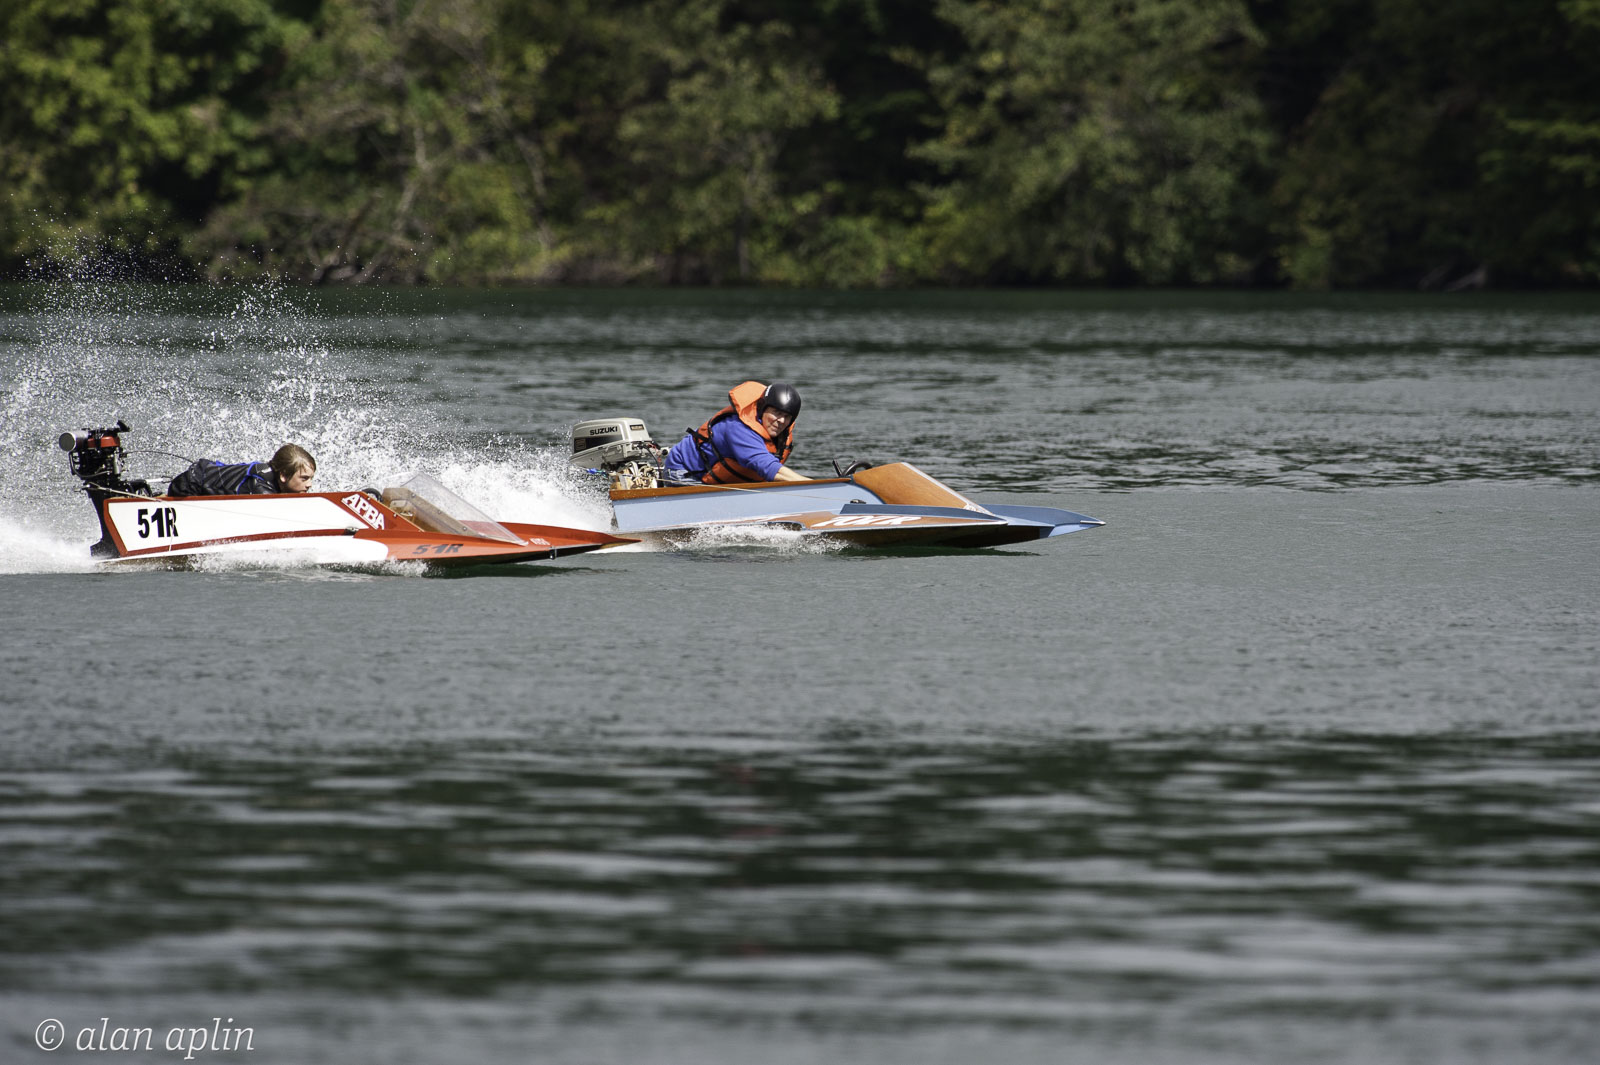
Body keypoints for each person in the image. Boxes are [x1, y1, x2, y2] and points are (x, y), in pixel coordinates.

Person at [664, 381, 806, 484]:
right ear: (762, 409)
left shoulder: (781, 435)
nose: (781, 420)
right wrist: (814, 485)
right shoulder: (739, 429)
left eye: (787, 416)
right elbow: (768, 468)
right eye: (776, 413)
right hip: (684, 472)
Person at [166, 443, 317, 497]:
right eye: (304, 478)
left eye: (311, 478)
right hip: (189, 487)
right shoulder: (260, 490)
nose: (309, 484)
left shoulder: (271, 477)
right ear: (283, 475)